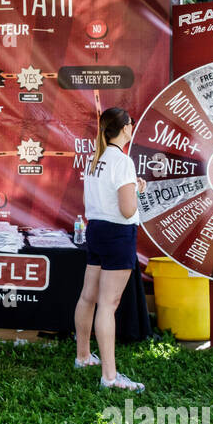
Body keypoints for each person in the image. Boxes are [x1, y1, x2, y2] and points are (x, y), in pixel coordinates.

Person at [74, 107, 147, 392]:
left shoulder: (96, 158)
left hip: (96, 230)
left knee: (88, 297)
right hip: (117, 233)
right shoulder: (122, 161)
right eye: (131, 123)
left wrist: (131, 190)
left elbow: (93, 199)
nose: (132, 127)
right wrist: (138, 192)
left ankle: (83, 356)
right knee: (108, 305)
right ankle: (110, 377)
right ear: (125, 128)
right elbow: (128, 209)